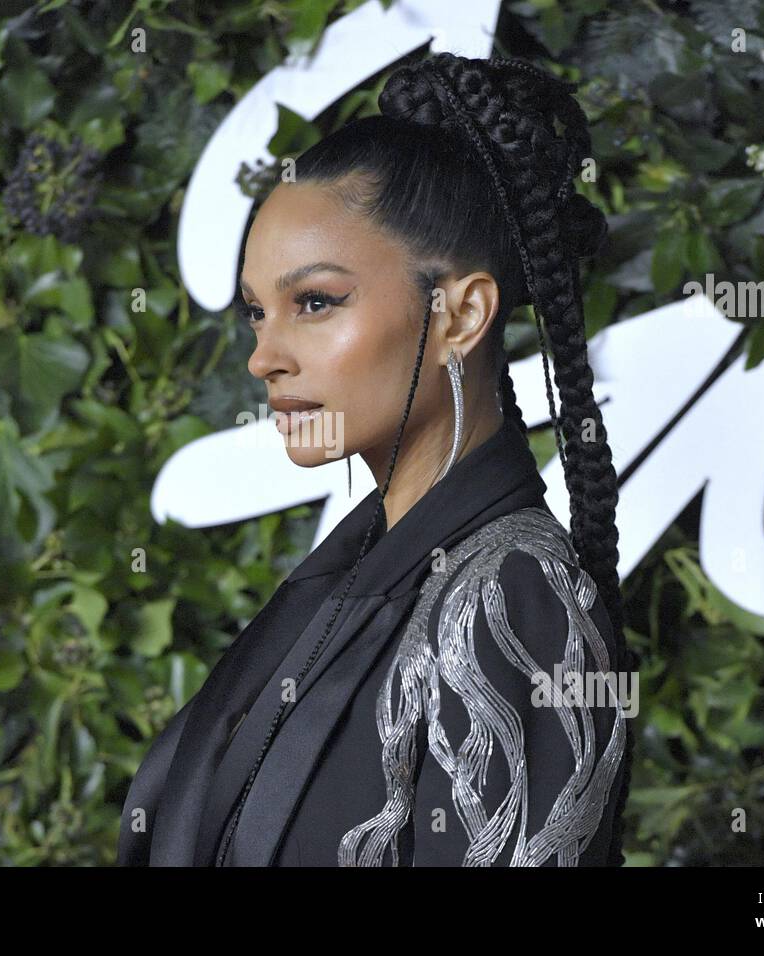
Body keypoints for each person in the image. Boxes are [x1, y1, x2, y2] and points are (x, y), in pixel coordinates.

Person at [118, 51, 634, 867]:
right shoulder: (361, 575)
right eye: (258, 313)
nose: (265, 357)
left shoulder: (514, 602)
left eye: (315, 302)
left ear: (462, 315)